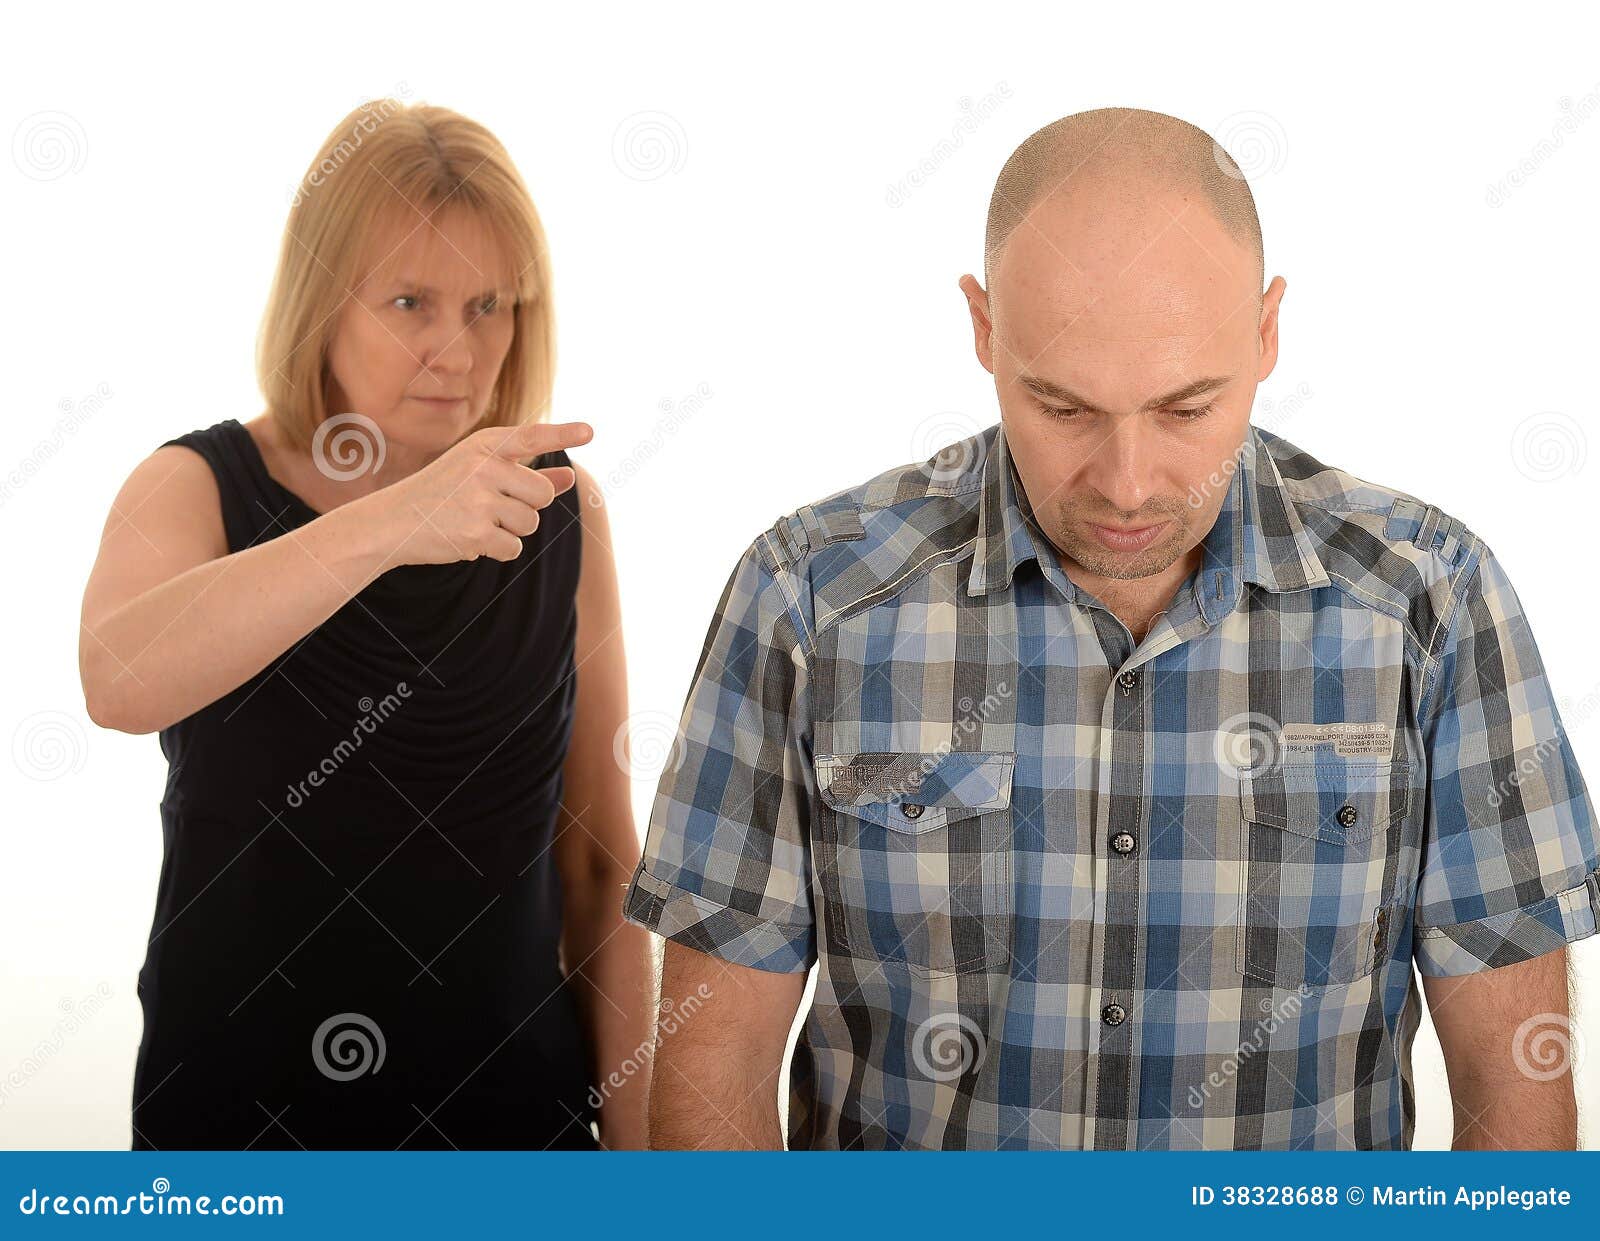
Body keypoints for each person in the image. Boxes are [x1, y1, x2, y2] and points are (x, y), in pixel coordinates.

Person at [622, 107, 1600, 1150]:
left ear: (1267, 332)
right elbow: (714, 1062)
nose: (1126, 484)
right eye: (1063, 407)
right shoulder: (808, 597)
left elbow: (1512, 1086)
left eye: (1186, 409)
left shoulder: (1432, 602)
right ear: (983, 327)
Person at [78, 100, 651, 1150]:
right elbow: (117, 682)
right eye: (409, 301)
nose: (457, 348)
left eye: (490, 303)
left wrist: (649, 1168)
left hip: (516, 1132)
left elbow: (599, 865)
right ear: (319, 305)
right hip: (240, 1131)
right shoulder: (192, 486)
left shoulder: (562, 510)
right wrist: (391, 520)